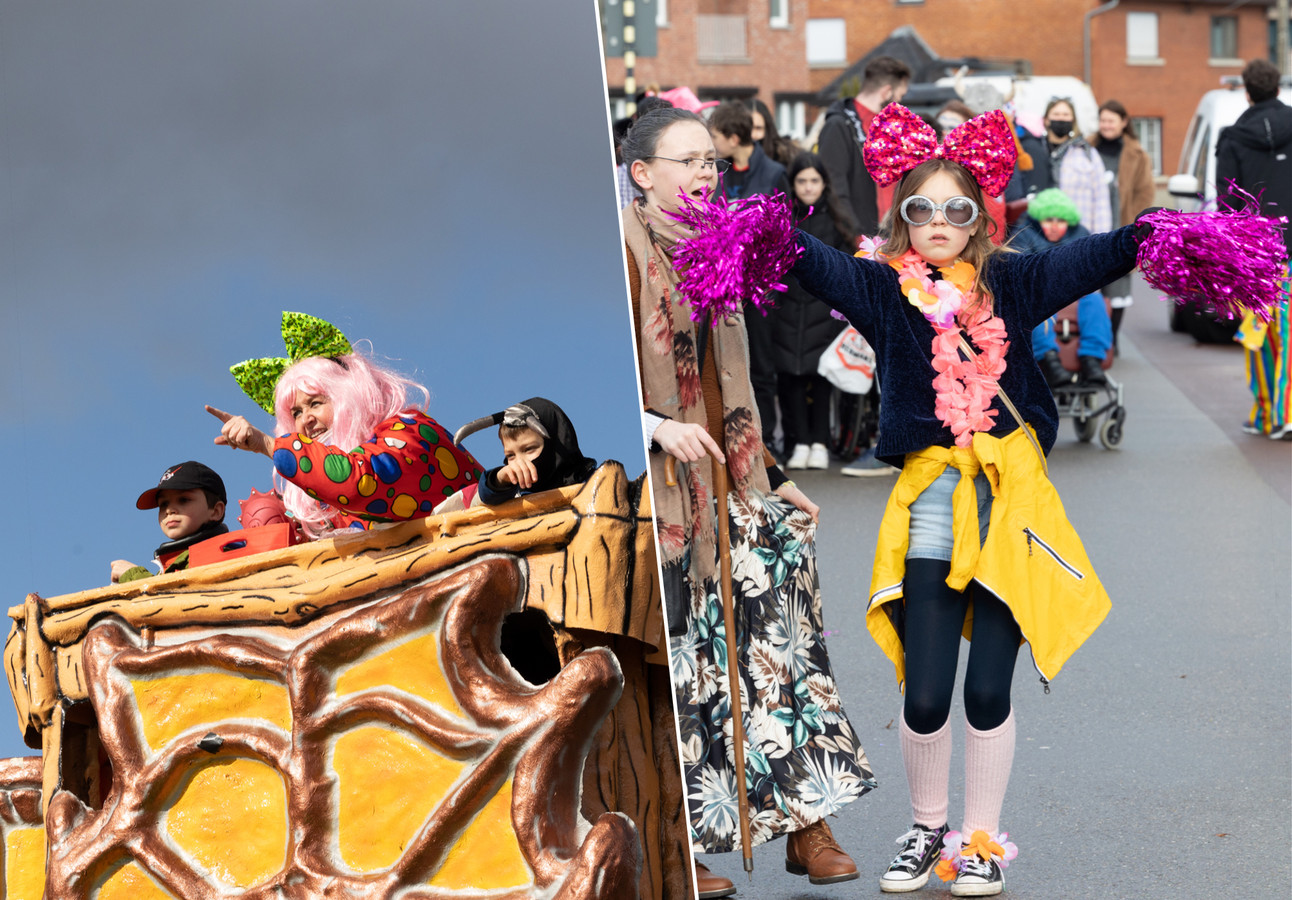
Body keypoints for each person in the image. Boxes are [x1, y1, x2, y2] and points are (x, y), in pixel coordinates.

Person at [787, 103, 1137, 895]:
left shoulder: (1014, 279)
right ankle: (924, 829)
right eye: (921, 208)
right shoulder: (883, 291)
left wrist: (1159, 234)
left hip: (1007, 511)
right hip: (934, 512)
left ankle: (979, 839)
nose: (938, 221)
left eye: (956, 207)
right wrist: (752, 225)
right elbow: (807, 260)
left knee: (987, 692)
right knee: (924, 692)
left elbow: (1095, 256)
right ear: (901, 217)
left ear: (980, 215)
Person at [621, 106, 874, 899]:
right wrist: (655, 427)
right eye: (688, 160)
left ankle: (809, 823)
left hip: (733, 481)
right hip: (659, 500)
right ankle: (682, 842)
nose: (706, 173)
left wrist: (770, 469)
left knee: (783, 644)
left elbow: (737, 387)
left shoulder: (716, 250)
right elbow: (593, 386)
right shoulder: (618, 257)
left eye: (711, 162)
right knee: (687, 669)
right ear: (641, 172)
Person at [207, 313, 484, 537]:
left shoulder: (411, 431)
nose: (306, 420)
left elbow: (359, 482)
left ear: (350, 398)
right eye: (296, 413)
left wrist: (265, 444)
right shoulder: (326, 500)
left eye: (316, 403)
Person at [1216, 58, 1292, 440]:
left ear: (1246, 91)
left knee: (1259, 332)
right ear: (1278, 89)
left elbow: (1227, 203)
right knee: (1290, 336)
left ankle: (1265, 412)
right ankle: (1287, 412)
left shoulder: (1232, 137)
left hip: (1256, 255)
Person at [709, 100, 790, 452]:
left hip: (760, 288)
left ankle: (767, 438)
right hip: (723, 285)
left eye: (715, 137)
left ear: (732, 136)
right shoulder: (717, 172)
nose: (712, 145)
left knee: (761, 363)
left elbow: (785, 231)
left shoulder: (772, 172)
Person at [772, 152, 855, 470]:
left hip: (824, 310)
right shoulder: (783, 218)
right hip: (788, 308)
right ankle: (801, 442)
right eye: (802, 181)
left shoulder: (838, 219)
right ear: (793, 184)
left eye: (814, 181)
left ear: (824, 183)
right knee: (791, 376)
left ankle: (820, 441)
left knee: (822, 378)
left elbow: (849, 264)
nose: (808, 187)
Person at [1012, 188, 1114, 387]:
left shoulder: (1081, 235)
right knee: (1039, 304)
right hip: (1042, 293)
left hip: (1076, 294)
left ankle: (1092, 360)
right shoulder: (1023, 235)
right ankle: (1049, 360)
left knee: (1095, 300)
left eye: (1060, 221)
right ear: (1038, 219)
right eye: (1048, 220)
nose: (1054, 227)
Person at [817, 56, 912, 236]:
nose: (899, 104)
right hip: (857, 242)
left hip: (888, 237)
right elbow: (835, 190)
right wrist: (857, 238)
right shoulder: (839, 126)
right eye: (899, 96)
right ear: (886, 92)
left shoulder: (889, 128)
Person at [448, 397, 598, 507]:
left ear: (555, 445)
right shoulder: (511, 492)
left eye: (529, 449)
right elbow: (479, 501)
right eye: (510, 455)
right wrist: (499, 480)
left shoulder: (593, 482)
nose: (519, 462)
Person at [1090, 99, 1156, 348]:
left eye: (1111, 121)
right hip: (1092, 222)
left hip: (1122, 223)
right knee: (1089, 284)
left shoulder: (1136, 154)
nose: (1106, 125)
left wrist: (1135, 221)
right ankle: (1092, 340)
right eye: (1103, 120)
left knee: (1117, 286)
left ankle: (1112, 339)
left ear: (1123, 123)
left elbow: (1144, 191)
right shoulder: (1087, 147)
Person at [110, 461, 229, 582]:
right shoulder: (173, 565)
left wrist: (133, 576)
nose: (169, 510)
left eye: (183, 500)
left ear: (215, 511)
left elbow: (185, 594)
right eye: (163, 504)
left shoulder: (219, 554)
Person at [1017, 98, 1110, 235]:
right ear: (1047, 119)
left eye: (1066, 115)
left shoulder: (1087, 154)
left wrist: (1102, 237)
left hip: (1079, 234)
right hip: (1038, 236)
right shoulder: (1033, 150)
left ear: (1073, 120)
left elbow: (1101, 199)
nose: (1061, 118)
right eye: (1056, 114)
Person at [749, 97, 800, 167]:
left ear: (768, 128)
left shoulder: (784, 157)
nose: (753, 135)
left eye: (758, 128)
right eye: (749, 128)